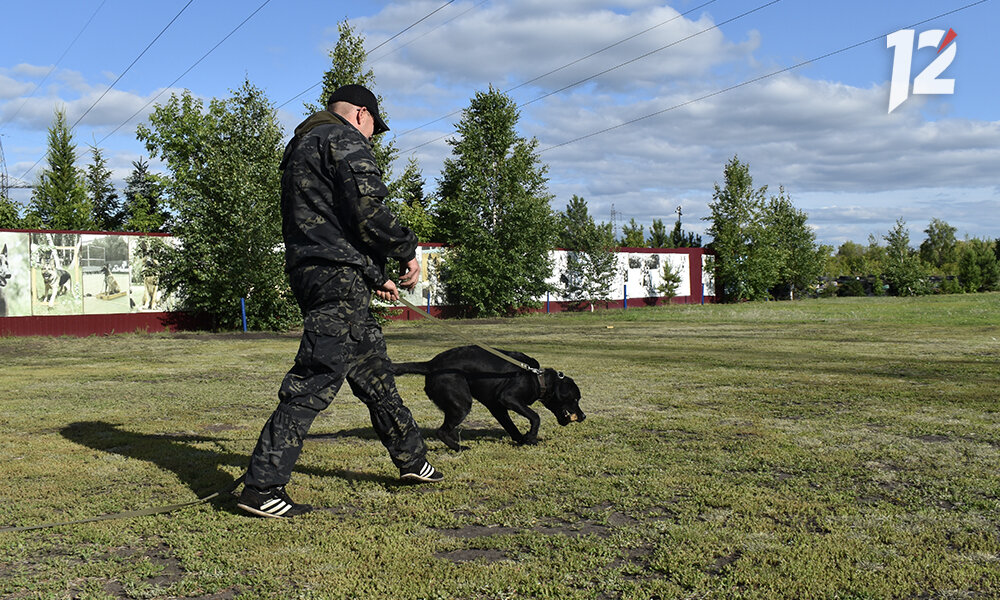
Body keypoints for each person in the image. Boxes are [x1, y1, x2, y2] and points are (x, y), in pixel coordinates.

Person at [238, 84, 442, 519]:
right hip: (336, 280)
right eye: (374, 129)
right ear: (362, 115)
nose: (372, 138)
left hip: (322, 274)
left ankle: (412, 459)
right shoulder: (343, 139)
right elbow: (367, 213)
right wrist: (407, 249)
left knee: (373, 373)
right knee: (316, 377)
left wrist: (374, 276)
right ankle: (262, 487)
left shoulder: (300, 145)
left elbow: (327, 226)